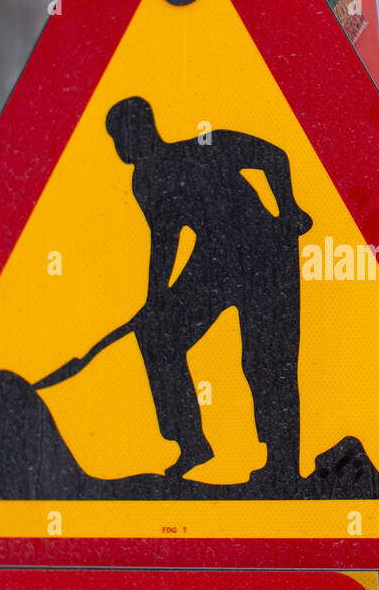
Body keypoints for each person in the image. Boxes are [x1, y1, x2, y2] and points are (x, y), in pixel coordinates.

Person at [105, 96, 313, 482]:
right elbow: (165, 239)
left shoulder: (207, 146)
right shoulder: (145, 181)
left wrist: (289, 209)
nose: (119, 148)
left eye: (121, 137)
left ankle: (282, 463)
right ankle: (191, 442)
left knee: (265, 360)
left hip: (264, 251)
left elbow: (274, 155)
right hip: (214, 258)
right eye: (115, 140)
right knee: (158, 335)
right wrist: (155, 300)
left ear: (142, 130)